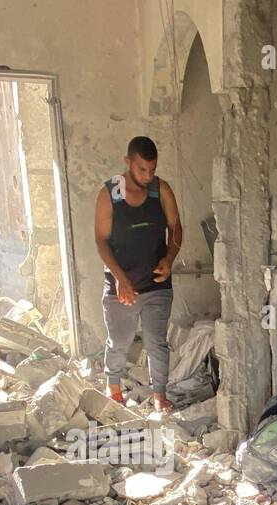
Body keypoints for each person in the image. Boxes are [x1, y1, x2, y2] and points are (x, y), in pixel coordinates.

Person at [94, 136, 183, 413]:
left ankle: (160, 396)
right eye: (142, 169)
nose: (148, 175)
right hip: (122, 286)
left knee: (157, 342)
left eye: (152, 170)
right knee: (119, 341)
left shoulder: (160, 190)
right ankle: (115, 391)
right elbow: (101, 240)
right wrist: (120, 278)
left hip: (157, 284)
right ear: (128, 162)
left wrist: (169, 258)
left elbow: (176, 226)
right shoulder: (110, 194)